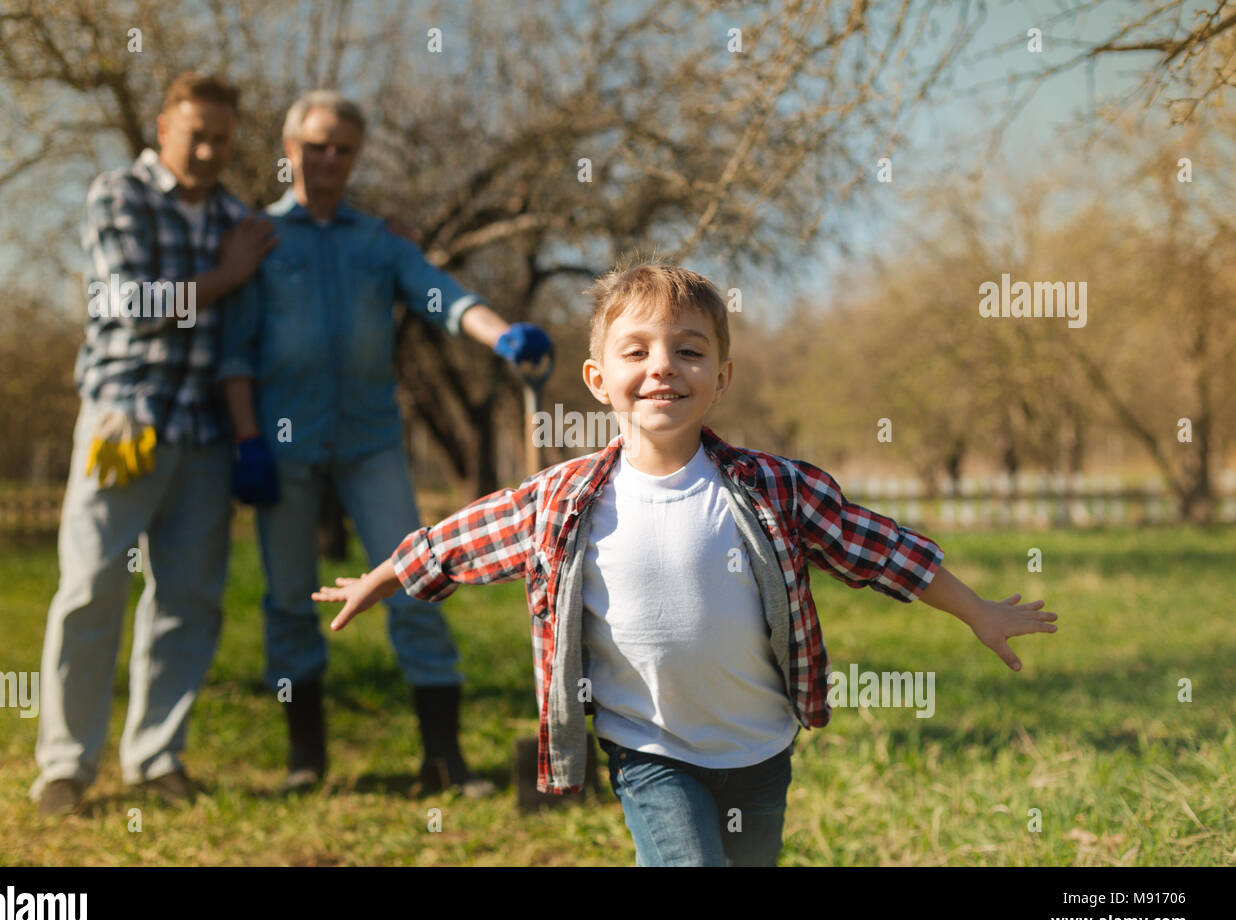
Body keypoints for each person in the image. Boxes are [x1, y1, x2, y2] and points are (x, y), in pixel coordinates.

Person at [311, 259, 1061, 866]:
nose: (663, 367)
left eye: (689, 350)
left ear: (722, 378)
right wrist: (385, 576)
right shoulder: (564, 499)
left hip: (760, 747)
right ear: (599, 380)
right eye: (636, 351)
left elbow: (883, 551)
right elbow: (465, 537)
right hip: (649, 748)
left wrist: (980, 612)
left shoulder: (777, 489)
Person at [218, 90, 551, 795]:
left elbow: (441, 296)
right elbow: (236, 353)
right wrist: (248, 440)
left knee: (417, 579)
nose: (329, 159)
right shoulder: (258, 238)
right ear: (290, 149)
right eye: (316, 145)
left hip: (370, 442)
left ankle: (444, 759)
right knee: (287, 600)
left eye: (343, 148)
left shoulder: (379, 243)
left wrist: (504, 338)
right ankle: (305, 761)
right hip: (283, 447)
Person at [32, 73, 278, 816]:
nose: (207, 150)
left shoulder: (239, 216)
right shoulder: (120, 194)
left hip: (204, 435)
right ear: (165, 125)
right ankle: (65, 768)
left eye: (222, 139)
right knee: (91, 587)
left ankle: (155, 757)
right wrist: (227, 275)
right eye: (195, 132)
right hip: (123, 424)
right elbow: (128, 304)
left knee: (190, 599)